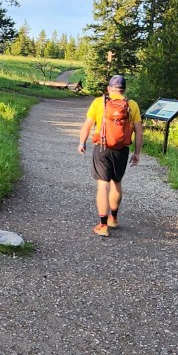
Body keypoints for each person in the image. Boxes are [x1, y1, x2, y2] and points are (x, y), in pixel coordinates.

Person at [77, 75, 143, 236]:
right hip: (121, 149)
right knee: (116, 183)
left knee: (103, 186)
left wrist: (82, 143)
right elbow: (139, 131)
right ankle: (113, 218)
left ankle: (103, 225)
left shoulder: (99, 102)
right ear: (124, 90)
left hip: (102, 147)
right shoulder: (132, 105)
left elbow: (87, 126)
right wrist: (137, 153)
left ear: (109, 89)